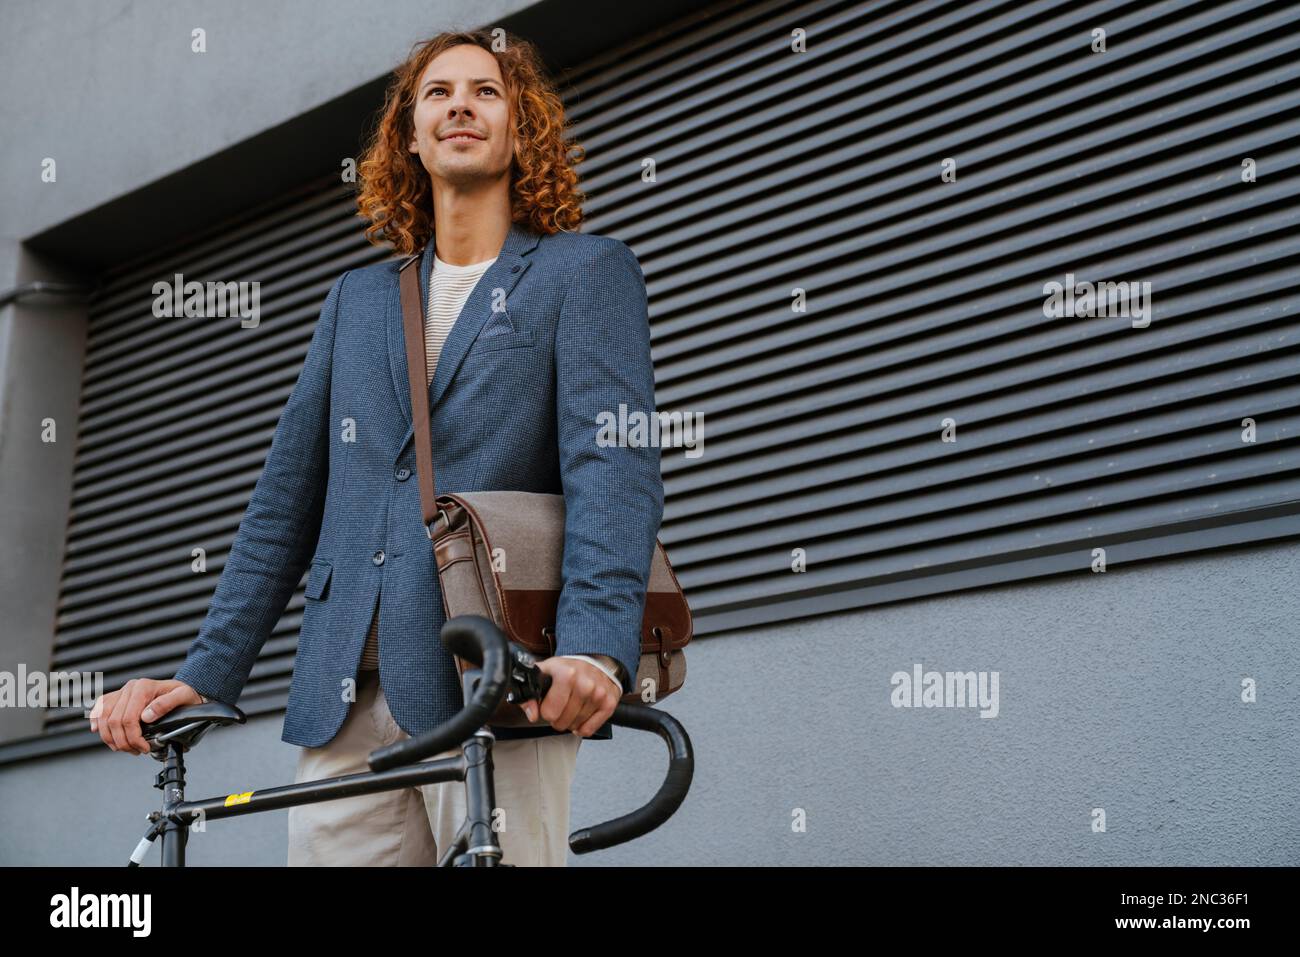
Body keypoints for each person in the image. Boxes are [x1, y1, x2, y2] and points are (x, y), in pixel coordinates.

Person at [87, 28, 663, 867]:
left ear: (520, 129)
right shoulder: (356, 301)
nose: (460, 103)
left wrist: (592, 649)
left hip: (493, 686)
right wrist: (210, 671)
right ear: (410, 136)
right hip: (343, 693)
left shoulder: (585, 274)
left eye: (486, 91)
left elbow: (614, 469)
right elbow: (286, 499)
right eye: (438, 93)